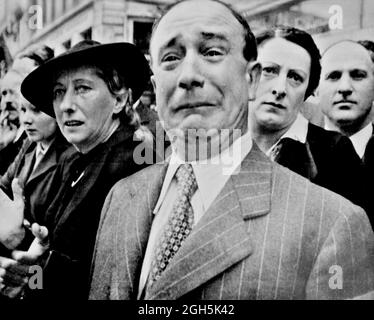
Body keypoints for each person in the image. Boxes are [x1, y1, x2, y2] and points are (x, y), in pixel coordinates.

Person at [89, 0, 374, 300]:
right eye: (171, 58)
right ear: (155, 85)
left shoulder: (332, 222)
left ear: (250, 79)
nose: (188, 76)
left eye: (212, 52)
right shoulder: (121, 197)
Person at [0, 40, 153, 299]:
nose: (65, 105)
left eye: (82, 88)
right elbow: (54, 249)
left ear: (120, 99)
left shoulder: (133, 164)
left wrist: (32, 267)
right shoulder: (79, 158)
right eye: (59, 92)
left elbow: (104, 279)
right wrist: (28, 253)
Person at [248, 27, 365, 209]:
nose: (280, 89)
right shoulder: (215, 141)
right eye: (269, 70)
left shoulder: (334, 154)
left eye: (295, 77)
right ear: (247, 75)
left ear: (308, 91)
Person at [319, 40, 374, 226]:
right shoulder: (291, 157)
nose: (344, 88)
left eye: (358, 76)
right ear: (315, 89)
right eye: (333, 76)